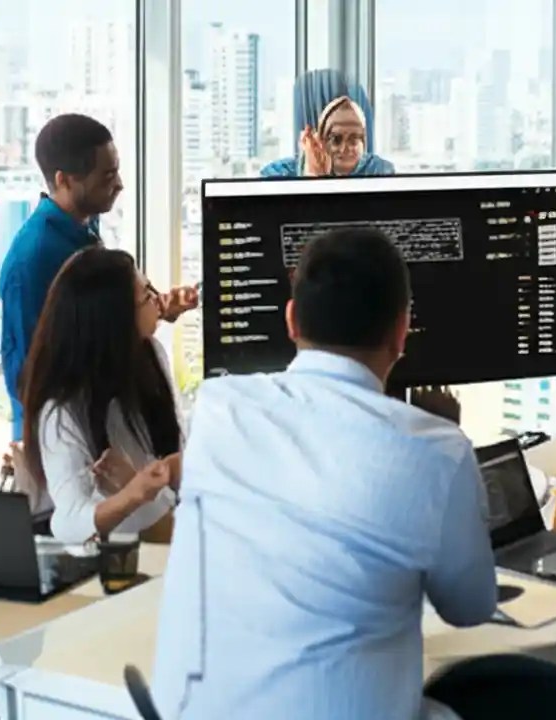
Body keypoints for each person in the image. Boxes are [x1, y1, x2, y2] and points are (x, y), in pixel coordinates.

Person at [152, 227, 495, 720]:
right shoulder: (437, 453)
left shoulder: (218, 409)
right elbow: (471, 607)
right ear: (402, 330)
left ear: (291, 320)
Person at [0, 113, 196, 439]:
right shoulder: (32, 260)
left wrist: (156, 307)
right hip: (64, 438)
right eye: (106, 177)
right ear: (64, 180)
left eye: (116, 172)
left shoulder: (86, 226)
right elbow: (29, 374)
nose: (118, 185)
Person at [20, 247, 189, 543]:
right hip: (115, 561)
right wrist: (133, 494)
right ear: (114, 322)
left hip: (171, 541)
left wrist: (156, 478)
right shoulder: (63, 409)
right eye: (146, 296)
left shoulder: (150, 356)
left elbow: (178, 478)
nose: (156, 300)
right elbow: (70, 523)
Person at [260, 69, 395, 177]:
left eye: (354, 139)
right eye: (335, 139)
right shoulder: (277, 174)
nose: (344, 149)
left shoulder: (380, 171)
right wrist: (312, 176)